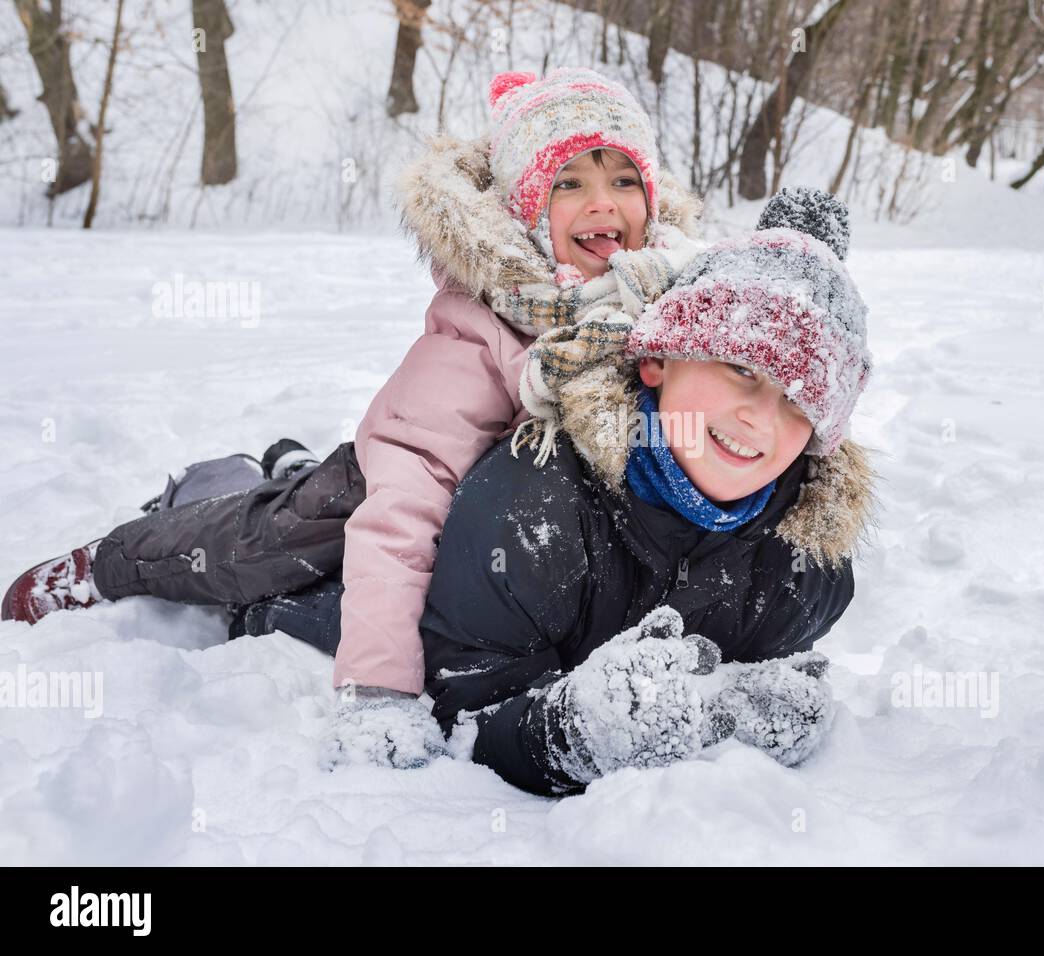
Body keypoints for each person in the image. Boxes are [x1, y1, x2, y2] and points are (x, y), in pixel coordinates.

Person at [1, 68, 703, 769]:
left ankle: (272, 469)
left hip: (473, 536)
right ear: (524, 207)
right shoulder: (483, 335)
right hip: (367, 496)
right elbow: (400, 518)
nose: (601, 204)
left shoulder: (658, 300)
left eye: (623, 180)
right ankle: (118, 559)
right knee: (251, 548)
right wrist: (378, 690)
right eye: (569, 184)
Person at [265, 187, 876, 794]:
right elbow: (463, 696)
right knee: (267, 536)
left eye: (798, 400)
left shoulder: (804, 566)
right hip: (361, 568)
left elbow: (730, 679)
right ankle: (261, 472)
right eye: (741, 370)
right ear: (657, 360)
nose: (759, 421)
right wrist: (571, 733)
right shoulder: (536, 508)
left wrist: (735, 715)